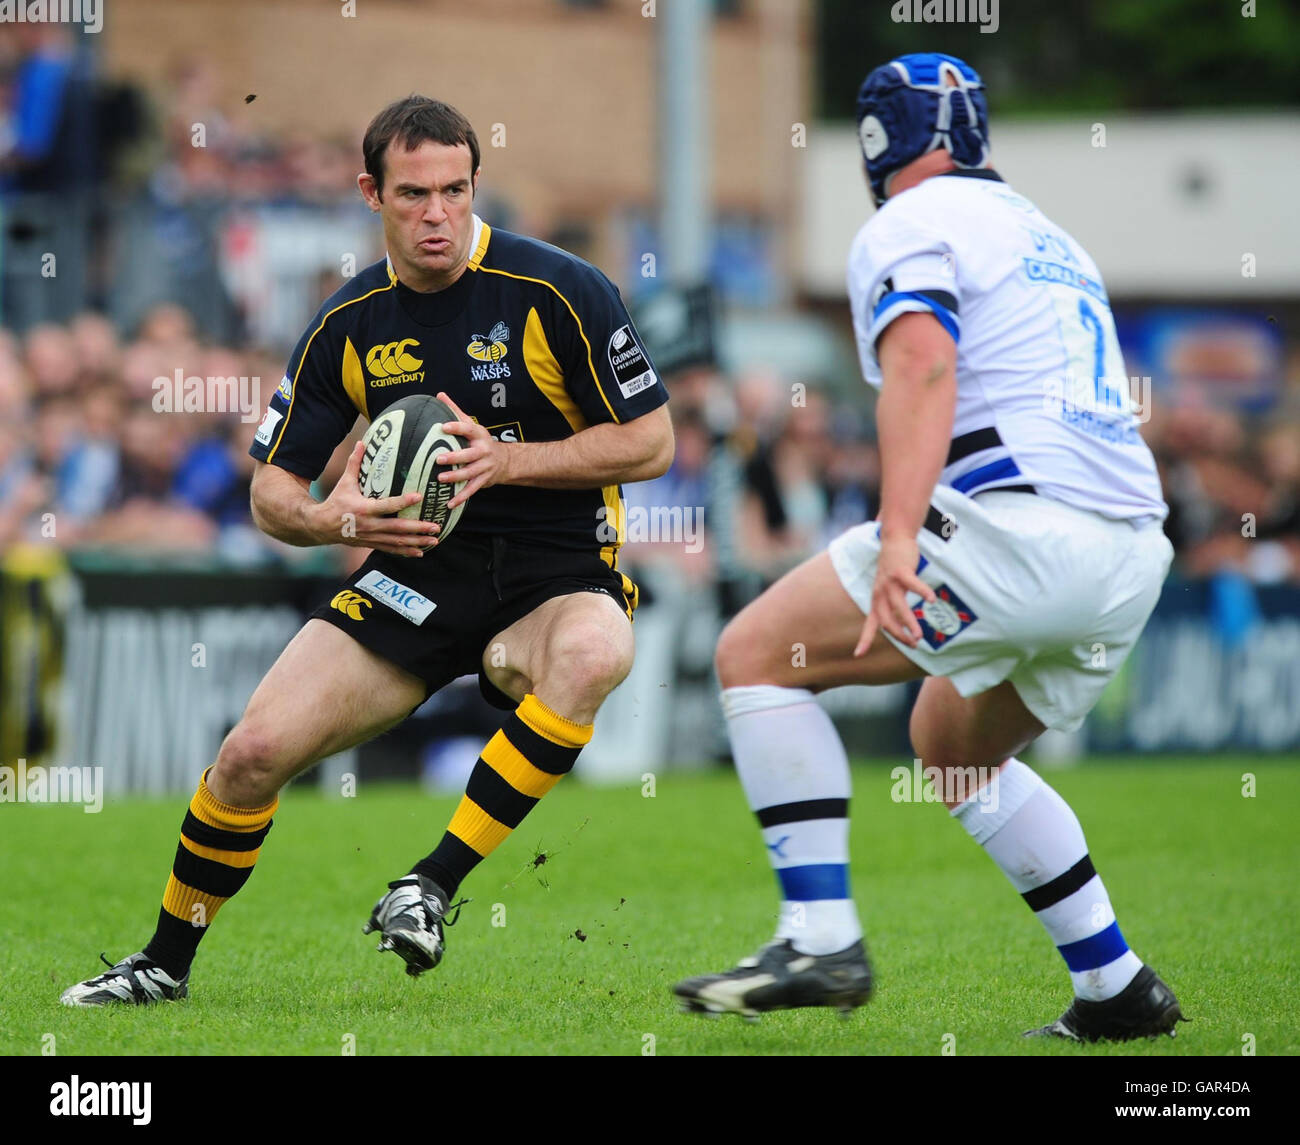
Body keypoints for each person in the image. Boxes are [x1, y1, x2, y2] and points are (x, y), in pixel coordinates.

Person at [61, 95, 673, 1005]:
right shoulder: (348, 321)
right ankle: (162, 964)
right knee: (252, 751)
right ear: (370, 193)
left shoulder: (558, 288)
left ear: (475, 186)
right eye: (415, 194)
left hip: (555, 573)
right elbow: (273, 490)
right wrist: (339, 521)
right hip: (415, 573)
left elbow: (652, 442)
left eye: (456, 192)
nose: (438, 215)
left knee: (595, 652)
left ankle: (428, 884)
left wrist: (507, 460)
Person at [672, 54, 1184, 1042]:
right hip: (1127, 554)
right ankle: (1114, 982)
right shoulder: (1050, 234)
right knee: (951, 747)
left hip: (1013, 530)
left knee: (753, 655)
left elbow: (924, 361)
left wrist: (900, 532)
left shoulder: (908, 220)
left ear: (877, 142)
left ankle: (818, 935)